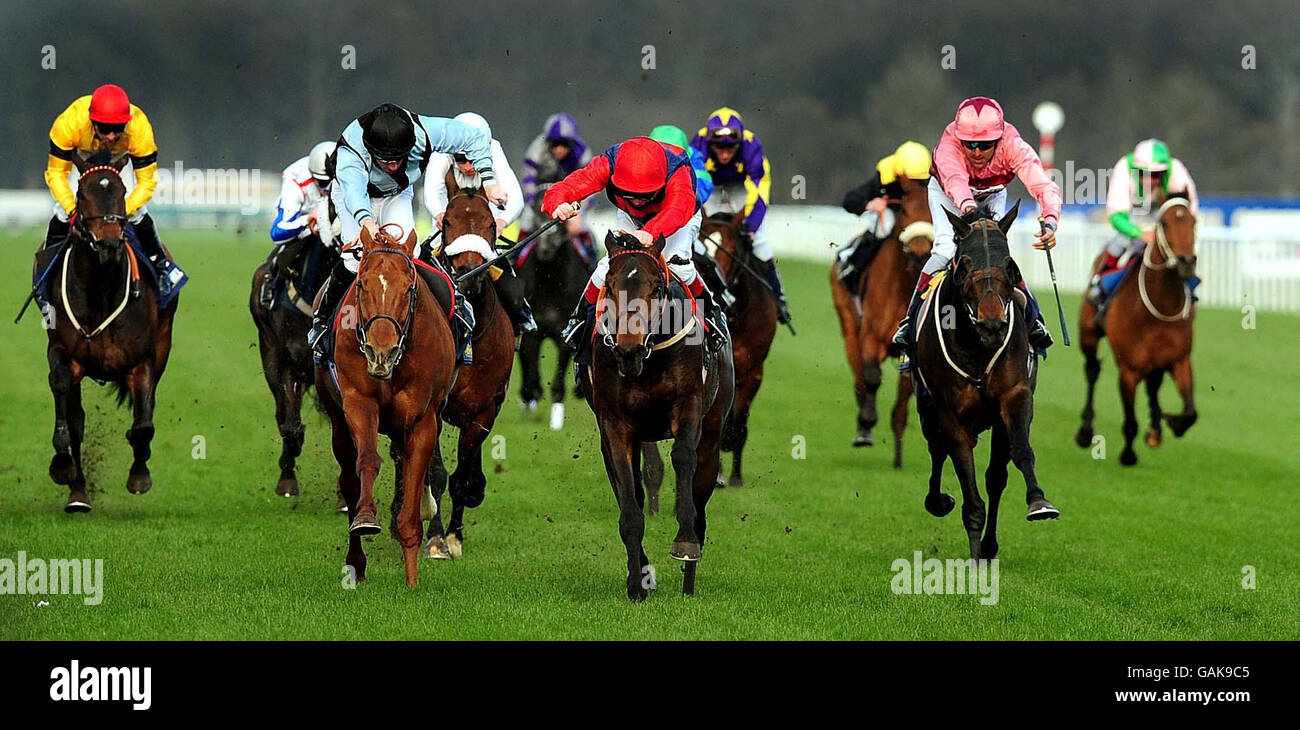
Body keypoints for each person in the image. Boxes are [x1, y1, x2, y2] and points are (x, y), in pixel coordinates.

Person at [308, 103, 504, 353]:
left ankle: (456, 303)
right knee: (356, 259)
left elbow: (474, 137)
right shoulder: (351, 155)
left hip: (397, 193)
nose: (392, 166)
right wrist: (366, 223)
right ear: (370, 151)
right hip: (353, 197)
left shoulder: (426, 131)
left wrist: (488, 182)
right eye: (384, 161)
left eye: (398, 159)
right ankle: (322, 322)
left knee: (409, 254)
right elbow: (354, 195)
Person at [892, 97, 1061, 359]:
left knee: (996, 255)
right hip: (949, 193)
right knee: (946, 248)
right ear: (960, 140)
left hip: (992, 192)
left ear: (999, 139)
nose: (977, 152)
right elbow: (956, 181)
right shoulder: (948, 148)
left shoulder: (1014, 145)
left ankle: (1034, 320)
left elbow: (1042, 185)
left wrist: (1050, 221)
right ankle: (909, 322)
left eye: (985, 145)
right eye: (970, 144)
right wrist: (971, 213)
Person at [545, 136, 729, 363]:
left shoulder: (678, 170)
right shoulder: (609, 163)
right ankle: (580, 319)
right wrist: (558, 204)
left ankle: (712, 315)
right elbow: (571, 185)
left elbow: (678, 210)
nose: (639, 201)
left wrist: (650, 232)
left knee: (677, 264)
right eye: (631, 194)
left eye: (645, 195)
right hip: (630, 218)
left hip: (679, 217)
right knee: (608, 267)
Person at [42, 84, 180, 294]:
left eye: (119, 129)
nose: (112, 136)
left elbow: (146, 182)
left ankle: (162, 268)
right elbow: (56, 174)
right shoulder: (70, 122)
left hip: (119, 159)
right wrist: (71, 209)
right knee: (61, 213)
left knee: (138, 214)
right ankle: (44, 278)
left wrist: (124, 209)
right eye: (105, 129)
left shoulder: (139, 127)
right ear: (92, 123)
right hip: (83, 157)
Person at [423, 111, 536, 336]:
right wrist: (438, 213)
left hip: (482, 225)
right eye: (461, 160)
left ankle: (522, 315)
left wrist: (502, 220)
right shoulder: (442, 152)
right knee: (421, 260)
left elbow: (515, 196)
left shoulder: (494, 149)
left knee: (503, 267)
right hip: (450, 224)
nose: (467, 166)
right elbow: (431, 192)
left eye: (473, 159)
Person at [691, 107, 790, 324]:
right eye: (719, 147)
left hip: (740, 190)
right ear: (709, 142)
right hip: (710, 188)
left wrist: (751, 226)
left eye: (730, 148)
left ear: (740, 142)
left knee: (759, 241)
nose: (725, 154)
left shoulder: (751, 146)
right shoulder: (698, 143)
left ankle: (778, 297)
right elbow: (692, 184)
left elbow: (760, 189)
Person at [1089, 138, 1199, 299]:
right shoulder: (1124, 168)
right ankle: (1100, 283)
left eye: (1155, 175)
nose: (1149, 180)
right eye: (1143, 173)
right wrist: (1140, 234)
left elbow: (1189, 212)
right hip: (1134, 213)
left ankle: (1189, 286)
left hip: (1164, 215)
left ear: (1164, 172)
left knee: (1182, 247)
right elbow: (1116, 216)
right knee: (1122, 241)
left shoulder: (1176, 171)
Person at [836, 140, 932, 291]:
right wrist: (870, 204)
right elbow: (850, 200)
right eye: (913, 180)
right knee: (885, 226)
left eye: (921, 180)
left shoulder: (930, 179)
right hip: (893, 215)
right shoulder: (885, 176)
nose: (918, 184)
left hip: (919, 218)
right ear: (900, 174)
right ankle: (852, 264)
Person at [260, 141, 337, 308]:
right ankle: (272, 279)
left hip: (335, 221)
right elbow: (277, 233)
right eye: (324, 184)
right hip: (303, 221)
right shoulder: (296, 178)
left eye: (334, 182)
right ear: (313, 177)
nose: (329, 189)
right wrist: (307, 219)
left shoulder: (350, 171)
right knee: (289, 251)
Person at [519, 112, 597, 259]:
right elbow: (528, 179)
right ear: (548, 142)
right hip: (540, 200)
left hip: (571, 202)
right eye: (555, 144)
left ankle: (591, 261)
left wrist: (581, 210)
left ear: (572, 143)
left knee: (583, 228)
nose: (559, 149)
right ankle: (517, 259)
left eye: (565, 144)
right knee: (526, 223)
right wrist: (532, 202)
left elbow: (591, 183)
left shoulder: (582, 152)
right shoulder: (537, 149)